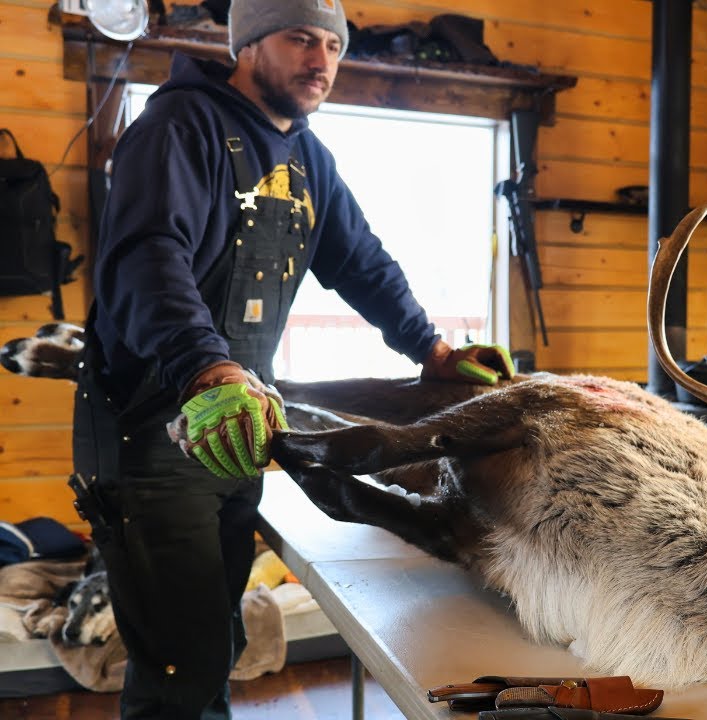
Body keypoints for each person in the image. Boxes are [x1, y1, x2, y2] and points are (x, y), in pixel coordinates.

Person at [70, 0, 513, 716]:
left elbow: (362, 263)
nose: (322, 61)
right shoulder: (179, 128)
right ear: (248, 45)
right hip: (151, 428)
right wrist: (208, 367)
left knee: (216, 636)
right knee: (177, 658)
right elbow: (146, 261)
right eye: (301, 38)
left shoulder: (309, 158)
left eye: (333, 46)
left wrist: (429, 349)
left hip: (239, 428)